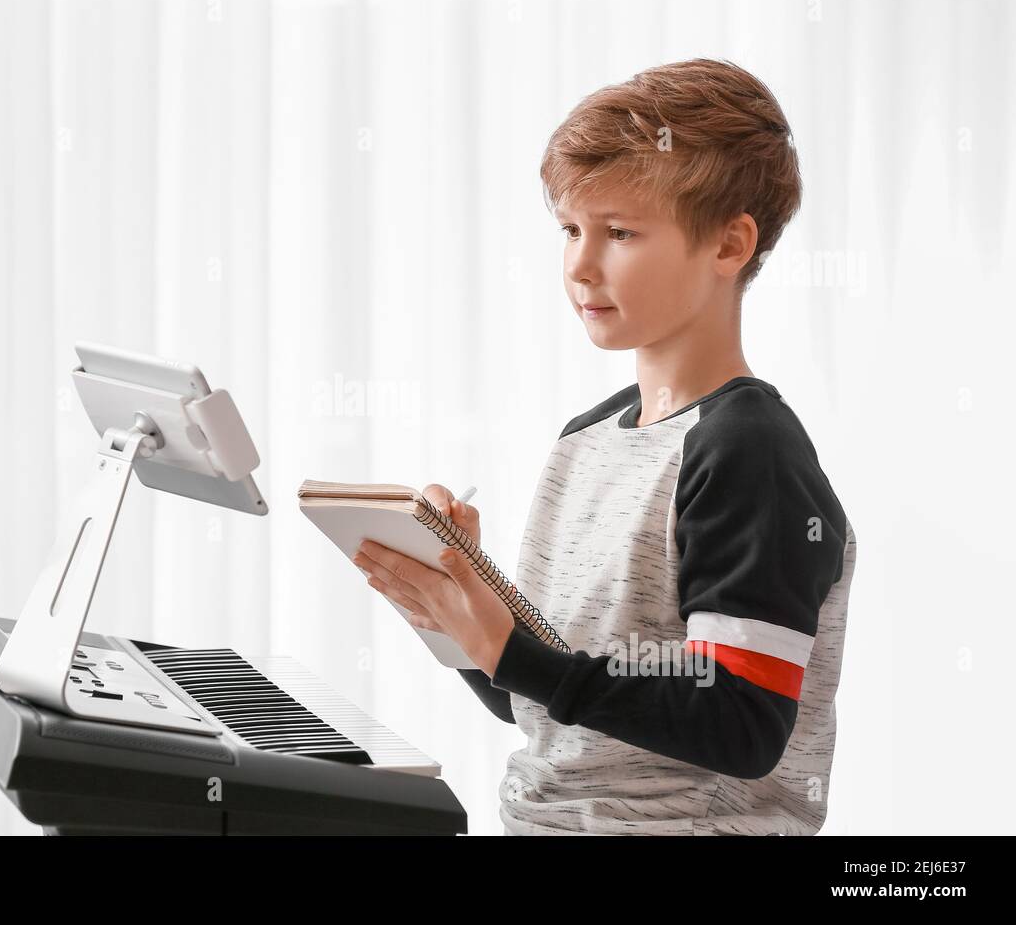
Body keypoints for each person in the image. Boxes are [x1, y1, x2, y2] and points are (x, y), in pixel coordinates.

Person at [351, 58, 856, 835]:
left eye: (619, 233)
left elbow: (741, 723)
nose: (581, 266)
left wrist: (512, 650)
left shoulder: (749, 453)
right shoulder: (585, 440)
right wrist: (458, 611)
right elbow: (544, 702)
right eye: (571, 230)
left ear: (729, 246)